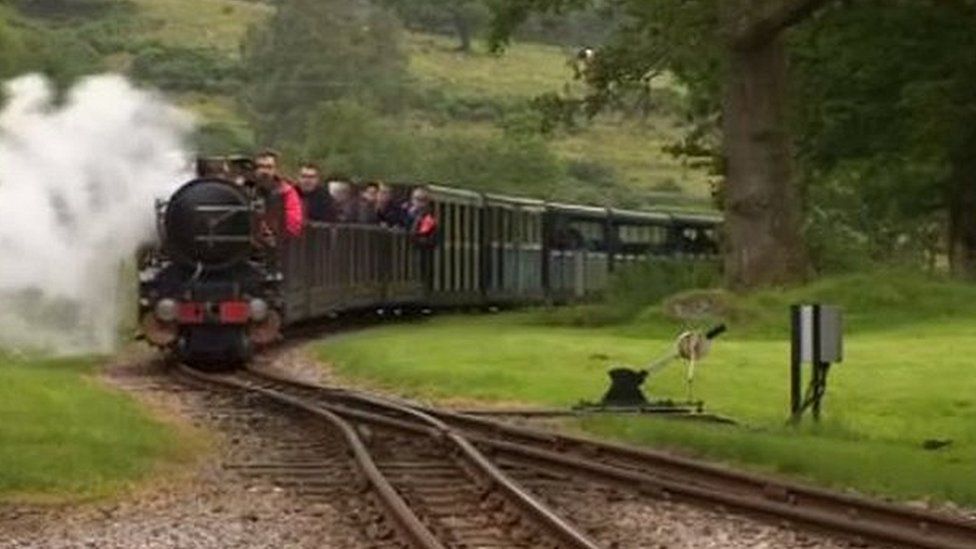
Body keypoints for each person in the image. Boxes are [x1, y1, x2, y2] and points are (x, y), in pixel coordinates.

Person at [254, 150, 303, 239]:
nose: (264, 171)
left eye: (269, 167)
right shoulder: (248, 190)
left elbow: (294, 224)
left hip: (279, 243)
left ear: (276, 169)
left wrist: (274, 231)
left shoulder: (287, 192)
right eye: (261, 166)